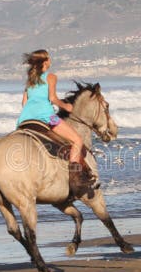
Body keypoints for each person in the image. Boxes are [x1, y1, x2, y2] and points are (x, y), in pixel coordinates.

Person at [16, 49, 96, 196]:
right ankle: (75, 177)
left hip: (25, 117)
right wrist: (66, 106)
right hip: (47, 116)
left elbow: (24, 103)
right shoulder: (51, 77)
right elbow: (53, 98)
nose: (51, 61)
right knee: (77, 140)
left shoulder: (30, 80)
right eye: (49, 58)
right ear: (46, 61)